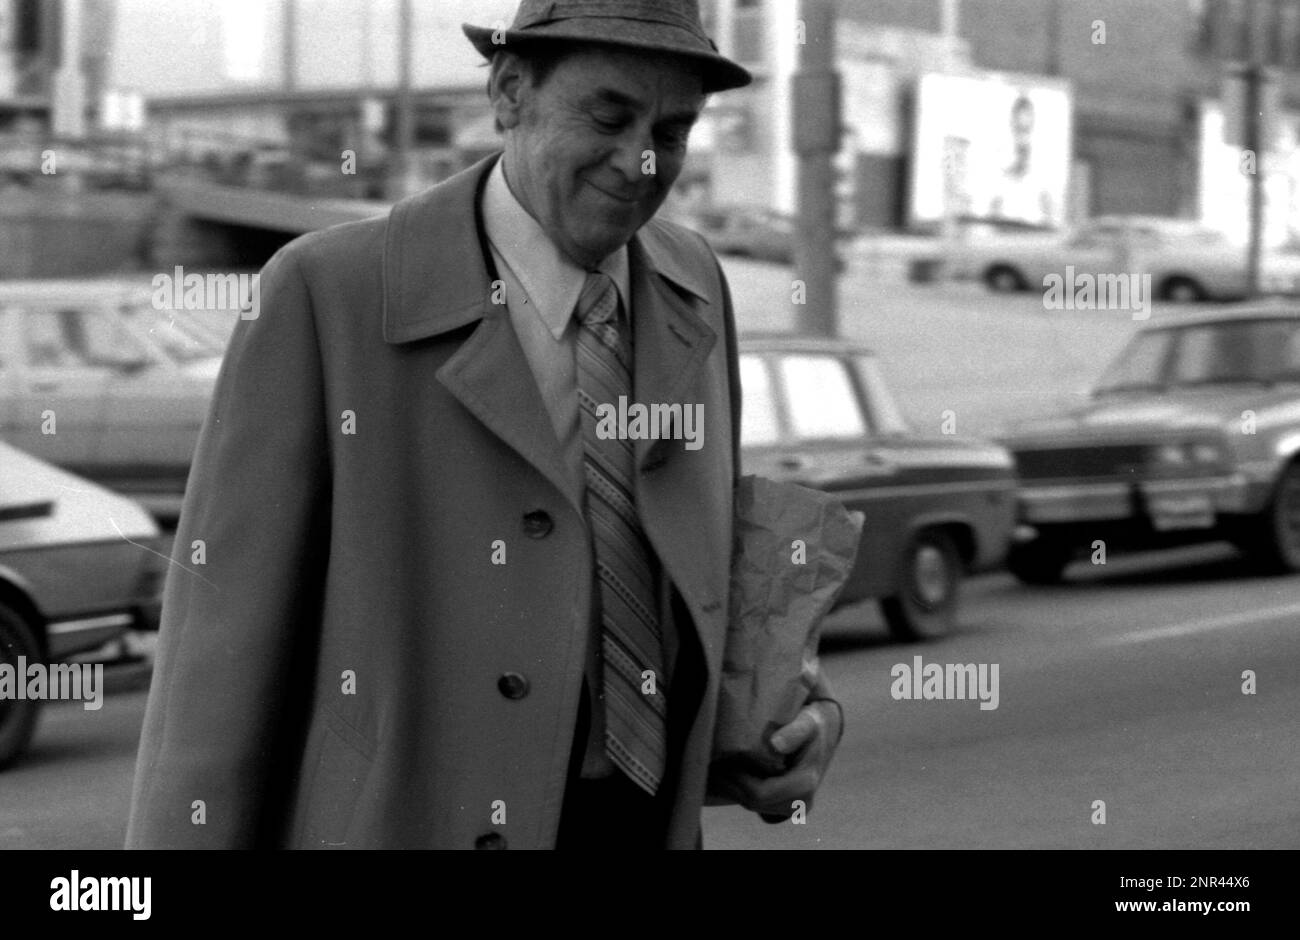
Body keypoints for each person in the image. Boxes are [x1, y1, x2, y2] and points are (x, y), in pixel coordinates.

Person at [125, 0, 842, 850]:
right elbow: (219, 662)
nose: (643, 159)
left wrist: (797, 716)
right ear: (508, 93)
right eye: (609, 115)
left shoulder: (696, 282)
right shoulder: (328, 295)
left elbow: (698, 573)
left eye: (674, 130)